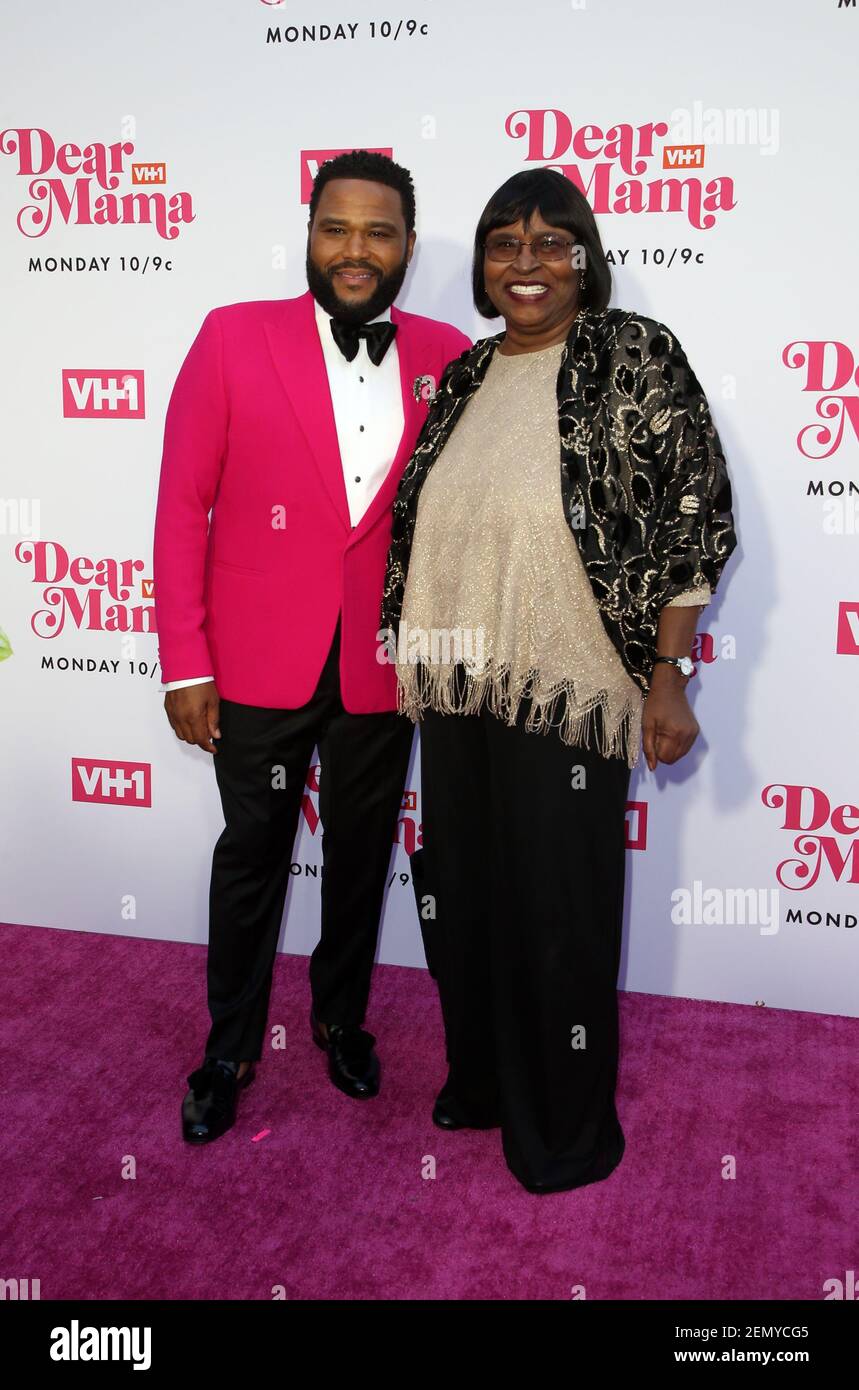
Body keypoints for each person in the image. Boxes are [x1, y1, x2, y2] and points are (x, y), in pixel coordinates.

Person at [379, 168, 737, 1194]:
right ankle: (483, 1078)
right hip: (454, 681)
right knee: (462, 893)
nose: (525, 263)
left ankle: (565, 1130)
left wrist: (667, 675)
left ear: (583, 258)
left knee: (557, 910)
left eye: (549, 243)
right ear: (483, 269)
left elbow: (693, 516)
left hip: (568, 681)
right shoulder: (461, 376)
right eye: (503, 244)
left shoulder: (632, 353)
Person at [153, 150, 470, 1144]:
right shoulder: (231, 336)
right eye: (336, 227)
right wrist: (186, 662)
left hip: (384, 662)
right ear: (309, 231)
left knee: (358, 853)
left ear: (408, 246)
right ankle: (227, 1047)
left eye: (379, 231)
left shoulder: (447, 350)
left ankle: (339, 1019)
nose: (355, 249)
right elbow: (180, 508)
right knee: (251, 855)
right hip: (252, 662)